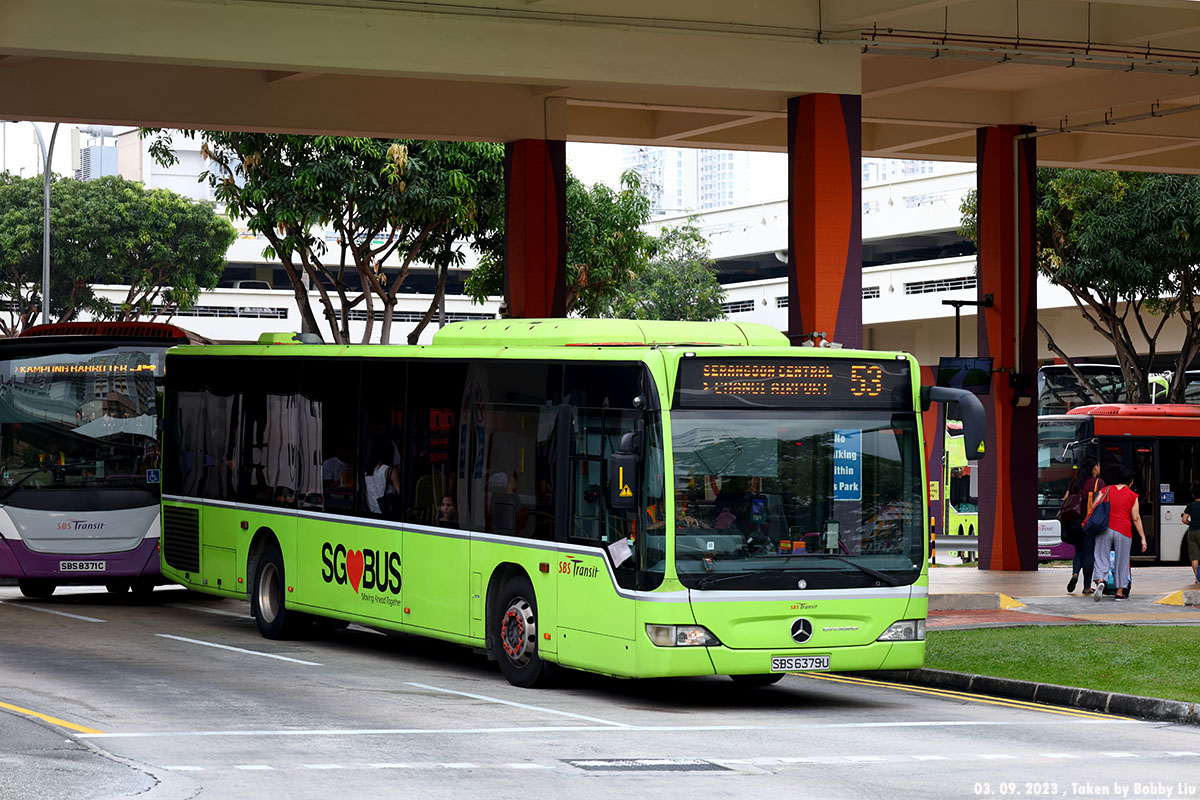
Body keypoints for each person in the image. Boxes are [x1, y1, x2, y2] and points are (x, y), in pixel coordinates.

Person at [1091, 466, 1147, 601]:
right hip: (1123, 530)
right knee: (1122, 560)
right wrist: (1143, 538)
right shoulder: (1133, 496)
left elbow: (1094, 506)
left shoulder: (1106, 490)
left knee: (1100, 555)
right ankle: (1119, 592)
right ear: (1131, 481)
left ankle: (1100, 580)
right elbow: (1136, 518)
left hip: (1105, 527)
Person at [1065, 456, 1105, 595]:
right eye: (1098, 466)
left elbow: (1065, 500)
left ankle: (1075, 573)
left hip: (1074, 521)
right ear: (1095, 467)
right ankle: (1087, 586)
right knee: (1088, 553)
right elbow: (1102, 502)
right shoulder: (1098, 483)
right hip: (1088, 522)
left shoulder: (1074, 482)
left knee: (1078, 551)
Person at [364, 441, 400, 516]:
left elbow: (367, 501)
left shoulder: (368, 472)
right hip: (388, 512)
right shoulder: (389, 470)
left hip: (373, 511)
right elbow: (400, 493)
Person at [1180, 483, 1200, 585]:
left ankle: (1198, 578)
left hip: (1192, 532)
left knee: (1194, 556)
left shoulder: (1190, 505)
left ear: (1192, 494)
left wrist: (1190, 523)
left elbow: (1184, 519)